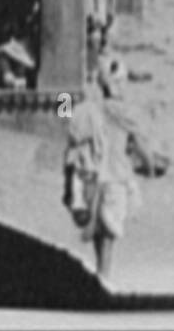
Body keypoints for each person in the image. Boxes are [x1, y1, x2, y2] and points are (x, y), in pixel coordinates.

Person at [63, 32, 147, 283]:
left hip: (93, 172)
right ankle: (104, 275)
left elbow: (69, 122)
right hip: (110, 174)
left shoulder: (92, 92)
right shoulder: (104, 101)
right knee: (107, 230)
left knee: (102, 229)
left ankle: (102, 272)